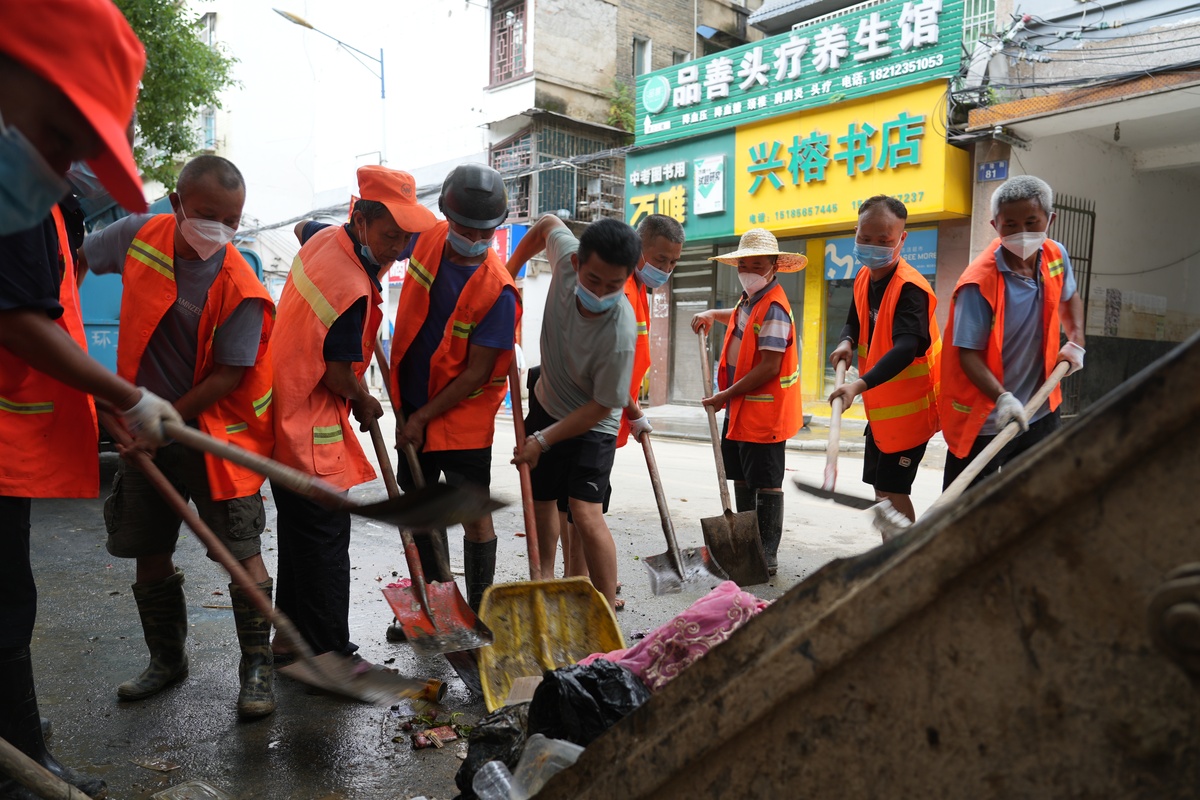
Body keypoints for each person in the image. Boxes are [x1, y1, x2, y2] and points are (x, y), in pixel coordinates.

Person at [0, 3, 176, 797]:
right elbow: (18, 319)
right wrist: (125, 393)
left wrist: (109, 402)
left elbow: (43, 313)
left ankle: (23, 761)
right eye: (64, 132)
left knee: (8, 608)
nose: (64, 161)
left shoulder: (27, 192)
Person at [78, 156, 278, 720]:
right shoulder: (140, 234)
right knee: (150, 548)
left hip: (217, 434)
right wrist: (62, 323)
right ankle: (166, 661)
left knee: (243, 555)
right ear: (178, 202)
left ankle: (257, 670)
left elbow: (228, 375)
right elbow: (78, 260)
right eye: (208, 214)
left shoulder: (240, 282)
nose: (219, 228)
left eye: (232, 219)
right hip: (148, 427)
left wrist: (160, 421)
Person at [271, 166, 435, 664]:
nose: (397, 249)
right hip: (309, 423)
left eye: (407, 238)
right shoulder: (350, 288)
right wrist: (366, 400)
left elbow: (306, 229)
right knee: (323, 541)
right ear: (360, 220)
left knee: (300, 538)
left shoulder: (324, 241)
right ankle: (329, 653)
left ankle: (290, 641)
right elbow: (338, 371)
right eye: (390, 236)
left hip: (282, 415)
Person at [387, 164, 519, 612]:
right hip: (412, 408)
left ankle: (481, 615)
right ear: (446, 215)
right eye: (465, 228)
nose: (475, 240)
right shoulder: (426, 239)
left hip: (461, 423)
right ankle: (438, 610)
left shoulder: (499, 292)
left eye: (485, 232)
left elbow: (476, 373)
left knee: (474, 519)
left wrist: (424, 417)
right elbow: (381, 238)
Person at [507, 215, 641, 610]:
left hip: (593, 421)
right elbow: (547, 223)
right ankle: (544, 580)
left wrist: (542, 440)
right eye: (594, 280)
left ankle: (603, 605)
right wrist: (506, 276)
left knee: (584, 511)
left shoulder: (620, 333)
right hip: (547, 399)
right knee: (544, 496)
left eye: (614, 285)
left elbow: (603, 405)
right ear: (576, 264)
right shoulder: (565, 254)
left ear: (627, 279)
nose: (601, 293)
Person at [553, 214, 685, 586]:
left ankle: (580, 579)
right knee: (582, 509)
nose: (666, 269)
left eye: (674, 263)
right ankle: (587, 584)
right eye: (660, 260)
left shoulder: (639, 289)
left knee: (579, 509)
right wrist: (635, 411)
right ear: (639, 250)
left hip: (608, 414)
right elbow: (605, 366)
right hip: (594, 415)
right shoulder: (619, 290)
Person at [939, 175, 1085, 490]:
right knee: (964, 508)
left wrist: (1076, 340)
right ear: (995, 226)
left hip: (1041, 407)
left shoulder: (1055, 254)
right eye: (1010, 225)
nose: (1022, 233)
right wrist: (1003, 398)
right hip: (988, 418)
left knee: (1036, 497)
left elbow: (1070, 296)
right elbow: (968, 355)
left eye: (1032, 222)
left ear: (1050, 219)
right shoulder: (979, 283)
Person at [690, 229, 805, 576]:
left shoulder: (775, 308)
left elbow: (770, 365)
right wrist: (713, 313)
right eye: (744, 264)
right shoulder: (749, 300)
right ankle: (746, 544)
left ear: (773, 266)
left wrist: (725, 395)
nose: (749, 269)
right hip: (741, 408)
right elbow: (741, 318)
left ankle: (765, 552)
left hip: (765, 412)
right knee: (741, 475)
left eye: (757, 264)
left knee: (766, 482)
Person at [828, 196, 941, 523]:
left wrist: (857, 386)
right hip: (882, 412)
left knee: (892, 493)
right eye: (865, 238)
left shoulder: (911, 289)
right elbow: (854, 320)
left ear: (902, 239)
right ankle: (891, 555)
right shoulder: (865, 275)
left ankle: (907, 562)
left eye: (884, 241)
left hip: (910, 415)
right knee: (881, 491)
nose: (873, 247)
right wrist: (847, 341)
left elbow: (907, 348)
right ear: (856, 231)